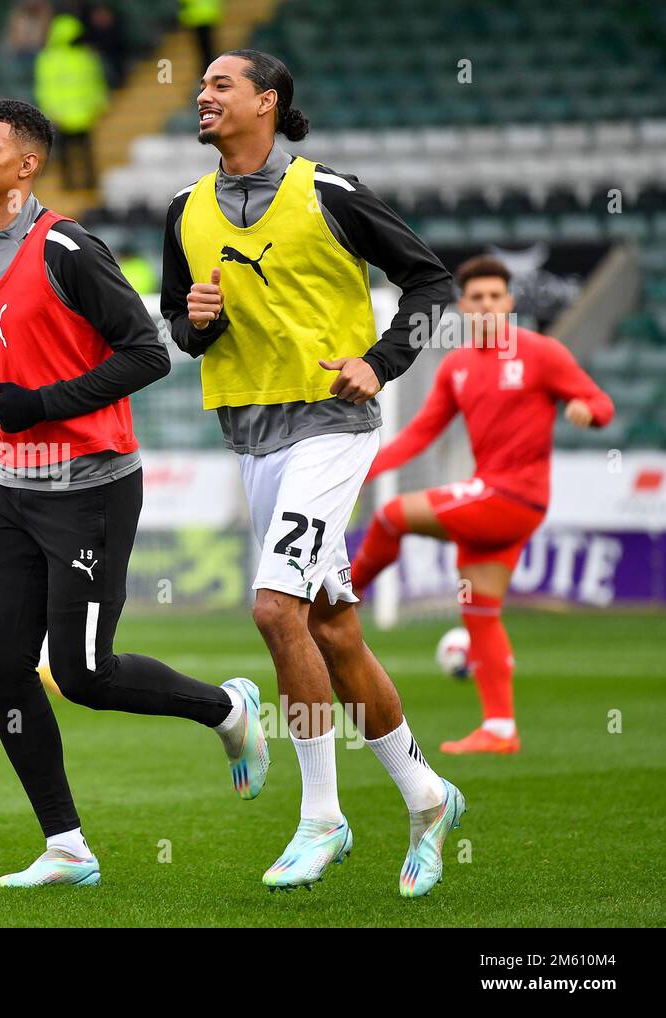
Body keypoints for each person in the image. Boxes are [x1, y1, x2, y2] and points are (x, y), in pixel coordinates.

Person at [0, 99, 269, 889]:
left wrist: (46, 404)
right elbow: (2, 381)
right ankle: (66, 844)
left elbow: (148, 355)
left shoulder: (68, 247)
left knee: (84, 674)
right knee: (2, 662)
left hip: (91, 493)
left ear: (26, 164)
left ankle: (227, 710)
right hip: (12, 495)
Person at [162, 49, 461, 896]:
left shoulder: (330, 192)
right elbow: (180, 329)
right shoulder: (183, 208)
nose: (203, 94)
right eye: (203, 84)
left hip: (331, 423)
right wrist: (195, 322)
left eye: (222, 84)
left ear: (268, 100)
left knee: (272, 608)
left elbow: (432, 282)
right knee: (329, 629)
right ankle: (428, 797)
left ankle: (323, 817)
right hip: (251, 431)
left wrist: (380, 360)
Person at [351, 255, 615, 754]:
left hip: (512, 496)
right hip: (492, 506)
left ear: (510, 303)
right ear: (464, 306)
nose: (488, 305)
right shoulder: (457, 366)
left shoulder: (541, 353)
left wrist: (589, 413)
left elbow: (600, 402)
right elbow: (422, 433)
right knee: (480, 612)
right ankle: (499, 728)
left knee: (392, 515)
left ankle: (344, 605)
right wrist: (369, 470)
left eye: (497, 297)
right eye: (478, 298)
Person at [34, 15, 108, 190]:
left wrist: (100, 104)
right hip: (69, 115)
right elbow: (45, 87)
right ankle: (70, 184)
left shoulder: (81, 57)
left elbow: (95, 83)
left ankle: (87, 184)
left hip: (79, 114)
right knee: (68, 154)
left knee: (83, 153)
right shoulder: (52, 59)